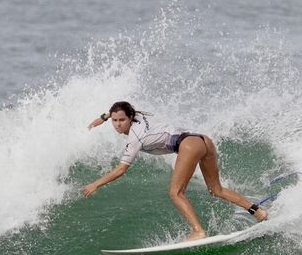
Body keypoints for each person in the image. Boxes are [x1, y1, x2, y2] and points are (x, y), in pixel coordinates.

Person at [84, 101, 268, 241]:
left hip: (188, 146)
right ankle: (258, 212)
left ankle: (198, 231)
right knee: (216, 190)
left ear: (130, 118)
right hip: (203, 141)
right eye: (114, 121)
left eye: (121, 120)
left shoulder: (134, 138)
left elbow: (121, 170)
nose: (117, 125)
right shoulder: (136, 116)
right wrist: (103, 118)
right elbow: (119, 109)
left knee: (175, 193)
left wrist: (96, 184)